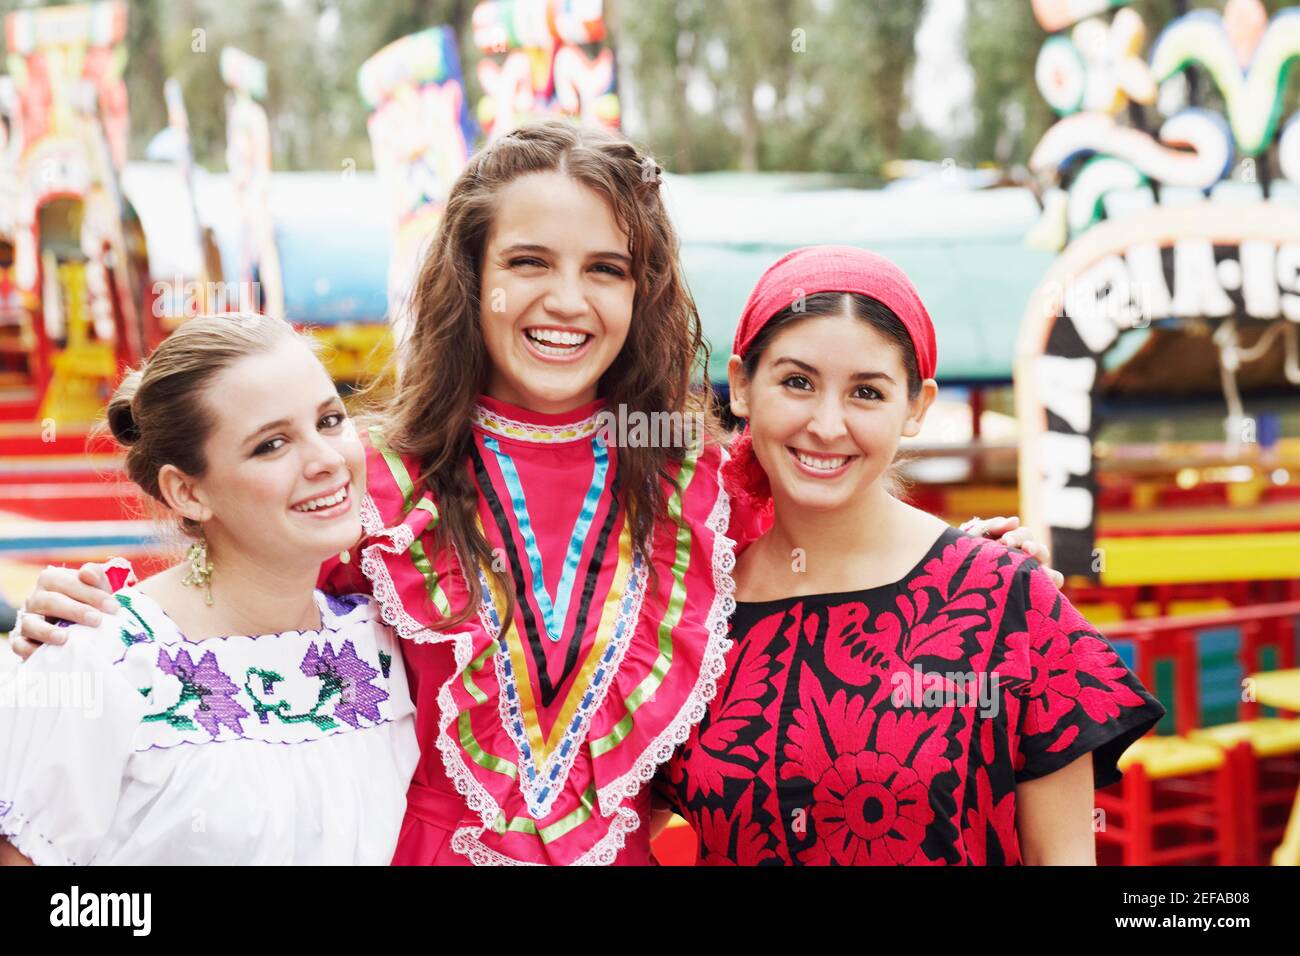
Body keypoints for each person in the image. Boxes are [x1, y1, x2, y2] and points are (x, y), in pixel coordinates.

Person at [10, 123, 1052, 866]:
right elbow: (228, 584)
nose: (567, 299)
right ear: (470, 275)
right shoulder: (371, 481)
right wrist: (75, 624)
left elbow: (845, 525)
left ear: (642, 289)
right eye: (528, 262)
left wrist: (965, 564)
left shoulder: (707, 483)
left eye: (606, 267)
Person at [655, 246, 1165, 865]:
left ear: (917, 407)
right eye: (797, 382)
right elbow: (609, 818)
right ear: (740, 385)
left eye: (866, 392)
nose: (826, 423)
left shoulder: (1003, 601)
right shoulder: (692, 618)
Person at [0, 313, 418, 865]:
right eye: (271, 444)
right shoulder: (107, 658)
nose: (326, 459)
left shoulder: (385, 642)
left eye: (331, 419)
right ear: (188, 492)